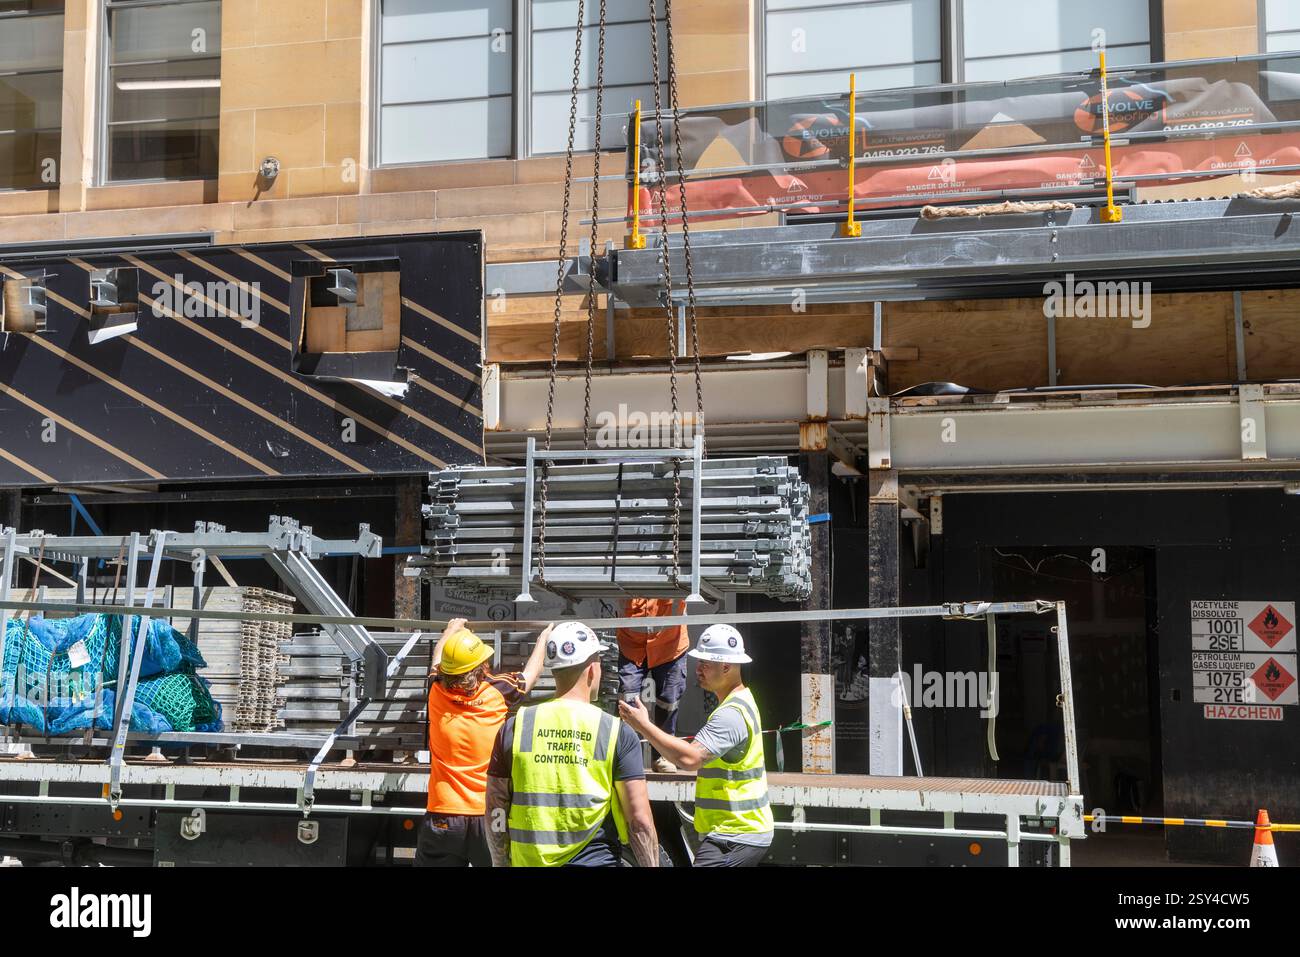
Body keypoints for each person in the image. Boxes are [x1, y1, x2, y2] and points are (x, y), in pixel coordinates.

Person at [485, 621, 659, 867]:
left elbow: (496, 809)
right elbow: (639, 821)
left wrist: (500, 863)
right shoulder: (614, 731)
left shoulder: (515, 727)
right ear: (592, 670)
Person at [619, 624, 773, 867]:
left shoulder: (730, 714)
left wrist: (643, 725)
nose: (698, 668)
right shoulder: (739, 702)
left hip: (734, 834)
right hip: (736, 833)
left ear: (726, 666)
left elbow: (690, 759)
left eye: (706, 663)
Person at [416, 617, 548, 867]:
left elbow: (437, 659)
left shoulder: (436, 691)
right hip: (488, 816)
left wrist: (451, 629)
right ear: (481, 666)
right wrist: (544, 638)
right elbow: (532, 674)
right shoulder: (497, 692)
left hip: (443, 814)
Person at [616, 597, 690, 772]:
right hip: (631, 642)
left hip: (671, 642)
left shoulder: (673, 569)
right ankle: (629, 757)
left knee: (669, 700)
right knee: (628, 701)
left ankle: (663, 755)